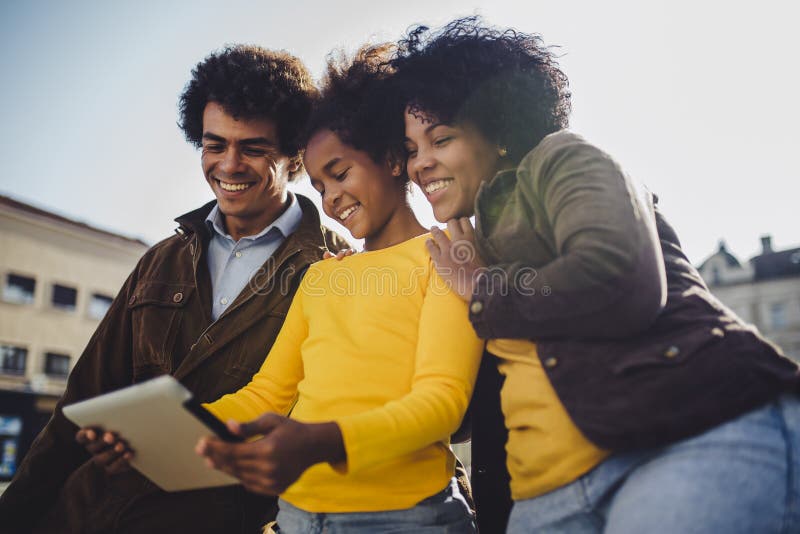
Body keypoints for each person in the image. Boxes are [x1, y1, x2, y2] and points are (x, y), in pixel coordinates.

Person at [394, 17, 800, 534]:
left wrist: (481, 289)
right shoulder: (472, 244)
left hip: (688, 434)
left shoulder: (561, 158)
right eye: (410, 150)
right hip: (546, 495)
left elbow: (617, 277)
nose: (420, 164)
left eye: (441, 139)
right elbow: (463, 408)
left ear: (496, 131)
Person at [0, 45, 348, 534]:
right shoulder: (160, 261)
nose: (229, 165)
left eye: (252, 148)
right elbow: (72, 416)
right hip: (89, 515)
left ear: (293, 155)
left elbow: (359, 415)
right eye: (213, 145)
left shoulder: (339, 268)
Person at [195, 45, 483, 533]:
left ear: (393, 159)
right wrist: (170, 429)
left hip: (407, 518)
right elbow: (265, 394)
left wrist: (320, 441)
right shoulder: (321, 276)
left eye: (340, 174)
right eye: (319, 187)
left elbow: (441, 405)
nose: (331, 201)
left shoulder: (448, 258)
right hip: (296, 519)